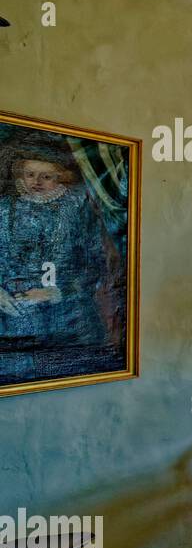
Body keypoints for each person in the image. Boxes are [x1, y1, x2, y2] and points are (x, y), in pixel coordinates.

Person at [0, 140, 108, 382]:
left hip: (68, 322)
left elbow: (96, 266)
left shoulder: (77, 209)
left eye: (46, 176)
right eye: (30, 174)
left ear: (61, 177)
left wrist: (55, 292)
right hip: (9, 320)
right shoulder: (3, 209)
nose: (36, 181)